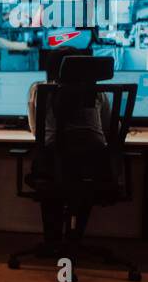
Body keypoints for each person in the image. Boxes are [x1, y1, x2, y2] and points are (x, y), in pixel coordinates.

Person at [26, 47, 113, 245]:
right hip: (93, 169)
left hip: (52, 168)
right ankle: (75, 239)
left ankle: (53, 241)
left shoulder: (39, 90)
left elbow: (35, 131)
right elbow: (108, 130)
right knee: (83, 183)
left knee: (52, 175)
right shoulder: (99, 93)